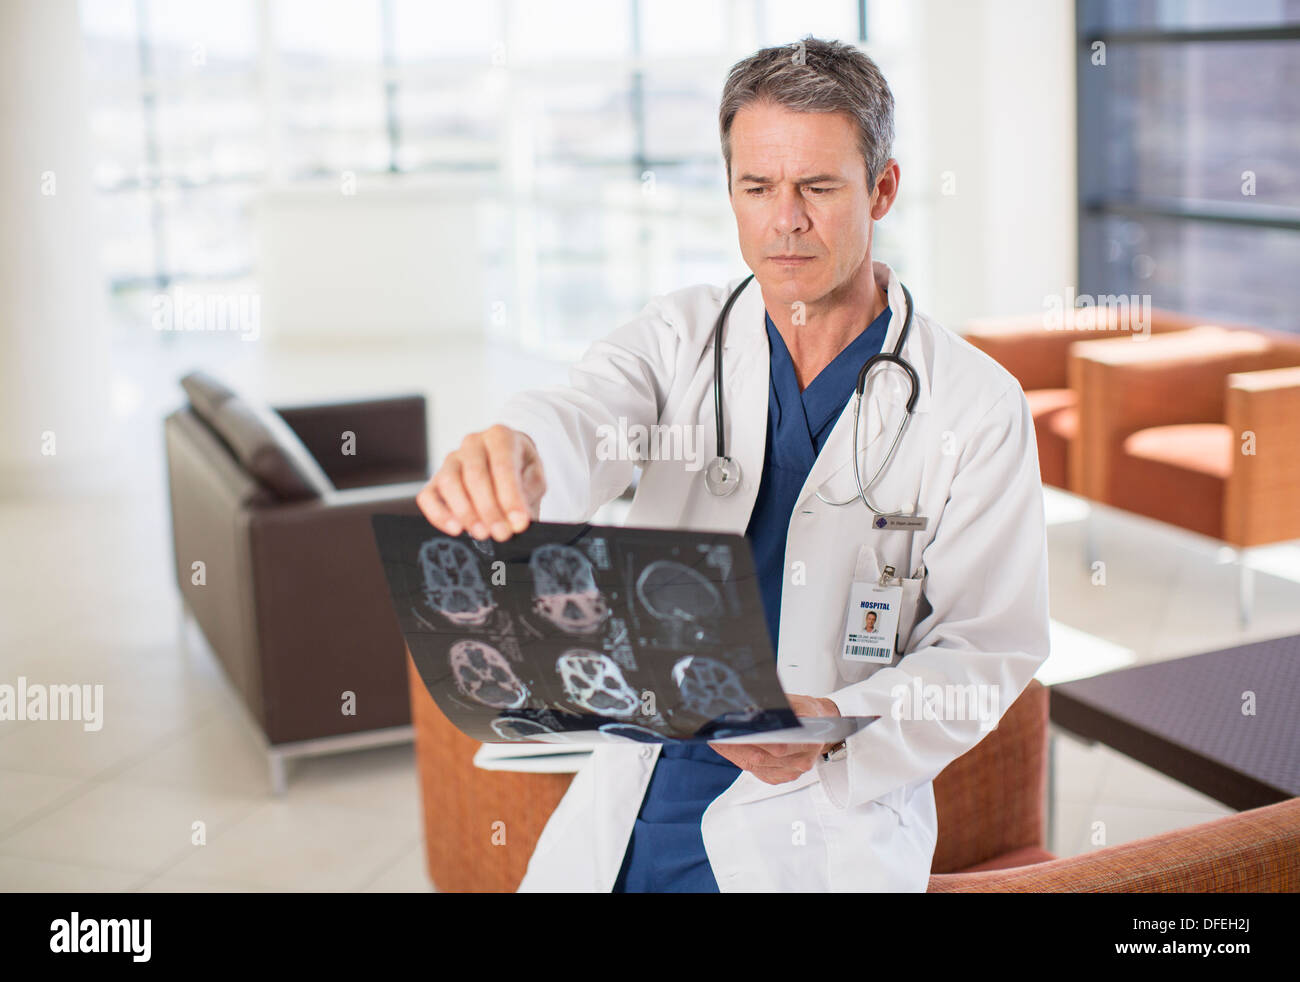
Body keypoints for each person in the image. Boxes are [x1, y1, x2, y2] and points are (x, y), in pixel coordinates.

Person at [417, 37, 1050, 892]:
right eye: (757, 188)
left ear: (884, 189)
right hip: (644, 792)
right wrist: (522, 453)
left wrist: (840, 717)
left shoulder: (973, 404)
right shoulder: (679, 338)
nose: (784, 219)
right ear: (730, 193)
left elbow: (991, 646)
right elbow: (587, 414)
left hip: (825, 815)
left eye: (818, 188)